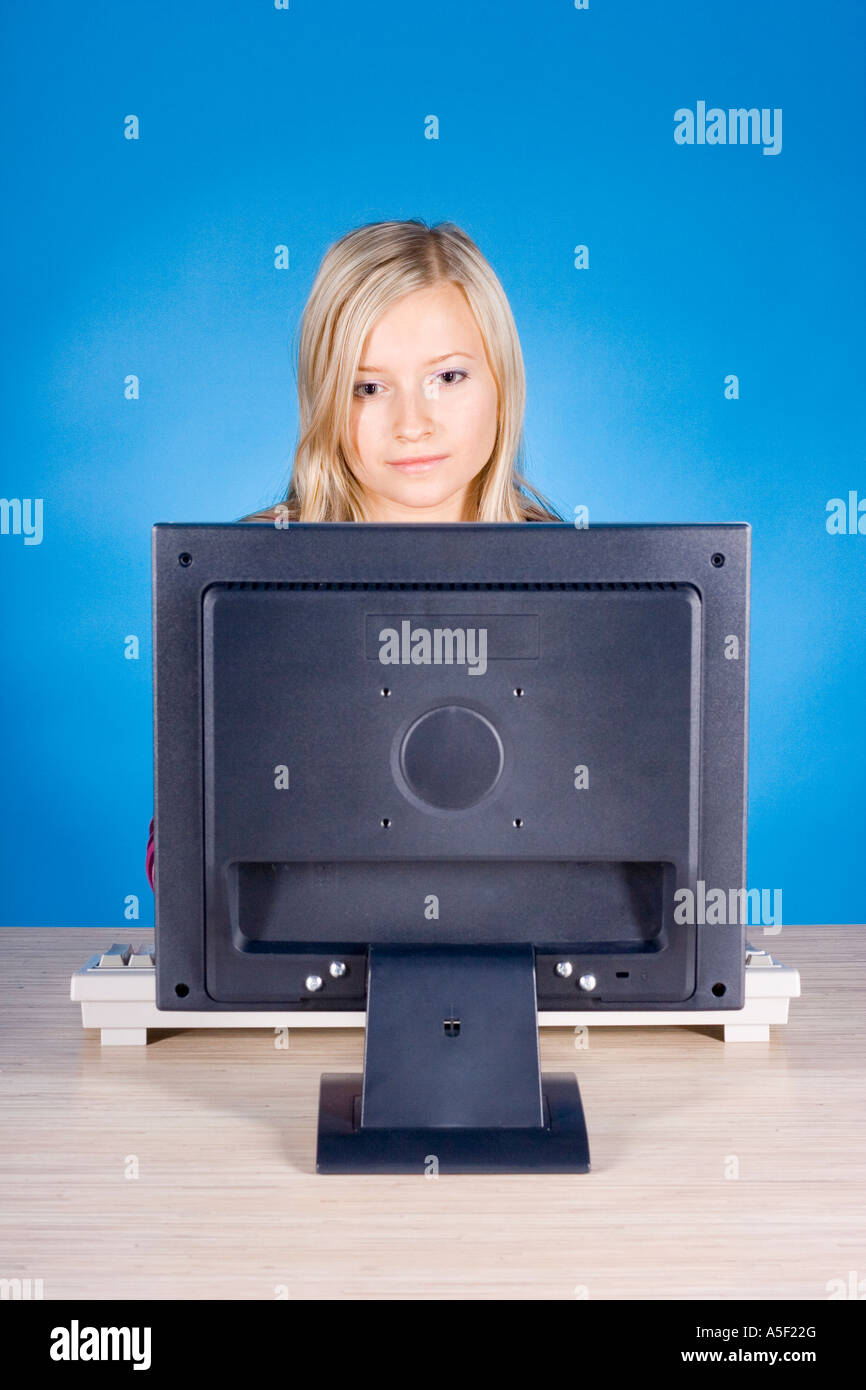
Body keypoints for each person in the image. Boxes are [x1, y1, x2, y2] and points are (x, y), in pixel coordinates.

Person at [146, 217, 562, 889]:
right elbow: (178, 863)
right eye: (368, 388)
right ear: (327, 400)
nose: (412, 422)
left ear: (501, 384)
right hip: (304, 973)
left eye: (448, 377)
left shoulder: (583, 582)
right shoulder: (248, 586)